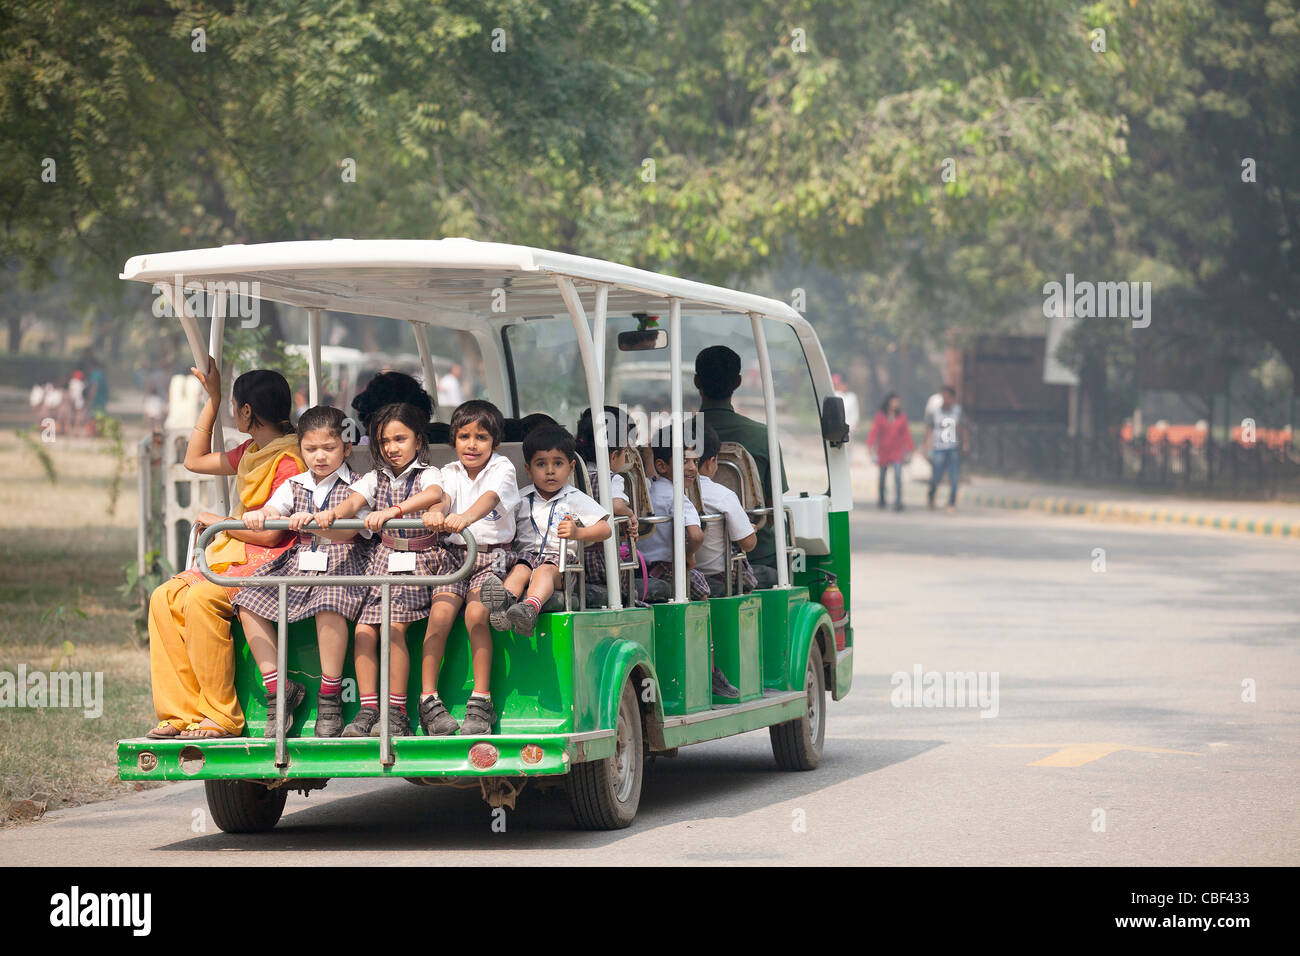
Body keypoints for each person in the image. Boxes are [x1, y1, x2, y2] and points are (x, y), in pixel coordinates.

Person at [145, 360, 305, 739]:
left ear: (248, 411)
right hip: (236, 552)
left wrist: (219, 522)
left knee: (201, 600)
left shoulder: (289, 459)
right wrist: (213, 398)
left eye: (234, 406)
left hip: (273, 559)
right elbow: (193, 460)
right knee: (162, 598)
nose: (234, 414)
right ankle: (180, 715)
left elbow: (271, 538)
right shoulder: (253, 450)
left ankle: (222, 716)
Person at [233, 406, 373, 738]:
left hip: (345, 560)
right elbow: (274, 508)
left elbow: (349, 533)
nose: (320, 457)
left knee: (330, 600)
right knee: (247, 598)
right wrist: (261, 515)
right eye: (311, 449)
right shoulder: (295, 484)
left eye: (329, 448)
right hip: (302, 560)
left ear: (347, 448)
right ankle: (278, 688)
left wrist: (314, 523)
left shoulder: (360, 486)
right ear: (301, 449)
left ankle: (330, 697)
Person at [313, 403, 447, 737]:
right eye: (385, 441)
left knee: (393, 627)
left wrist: (394, 510)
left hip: (418, 560)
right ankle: (369, 707)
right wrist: (332, 515)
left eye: (400, 439)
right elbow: (353, 502)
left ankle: (396, 711)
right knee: (363, 632)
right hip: (383, 561)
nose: (392, 448)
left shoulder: (428, 474)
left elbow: (433, 495)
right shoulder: (374, 478)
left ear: (418, 440)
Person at [419, 400, 520, 736]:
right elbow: (443, 499)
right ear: (454, 440)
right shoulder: (448, 472)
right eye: (464, 437)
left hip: (490, 556)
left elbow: (489, 499)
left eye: (481, 437)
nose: (472, 445)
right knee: (440, 617)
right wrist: (437, 511)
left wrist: (464, 519)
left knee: (476, 615)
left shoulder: (503, 468)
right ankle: (429, 699)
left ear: (495, 443)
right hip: (453, 556)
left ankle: (480, 699)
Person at [480, 425, 611, 635]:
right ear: (528, 469)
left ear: (570, 467)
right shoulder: (520, 498)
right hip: (525, 557)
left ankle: (529, 609)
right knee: (519, 569)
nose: (550, 471)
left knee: (544, 570)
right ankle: (503, 607)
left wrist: (578, 533)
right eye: (541, 464)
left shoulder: (574, 498)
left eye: (558, 464)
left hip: (561, 566)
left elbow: (605, 529)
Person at [643, 425, 740, 698]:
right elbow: (696, 534)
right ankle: (708, 668)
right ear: (661, 465)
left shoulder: (648, 491)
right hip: (669, 568)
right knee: (702, 592)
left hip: (643, 569)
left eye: (694, 461)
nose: (692, 468)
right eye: (684, 461)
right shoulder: (678, 497)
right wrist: (689, 555)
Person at [694, 345, 786, 588]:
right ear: (737, 382)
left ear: (696, 381)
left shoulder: (671, 437)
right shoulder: (763, 436)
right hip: (756, 558)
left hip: (690, 559)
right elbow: (773, 509)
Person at [575, 406, 640, 605]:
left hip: (577, 559)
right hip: (602, 560)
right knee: (631, 594)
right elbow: (616, 505)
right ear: (613, 456)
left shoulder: (575, 474)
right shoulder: (611, 479)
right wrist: (630, 514)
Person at [695, 425, 758, 596]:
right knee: (769, 575)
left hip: (677, 573)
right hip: (718, 576)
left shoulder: (658, 491)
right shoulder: (723, 495)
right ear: (711, 462)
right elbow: (749, 544)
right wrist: (748, 529)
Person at [923, 385, 969, 512]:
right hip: (939, 448)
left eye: (948, 397)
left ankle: (951, 503)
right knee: (936, 476)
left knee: (954, 477)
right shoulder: (935, 412)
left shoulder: (958, 412)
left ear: (953, 398)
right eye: (944, 396)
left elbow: (964, 428)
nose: (946, 399)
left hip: (953, 448)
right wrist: (926, 447)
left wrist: (965, 444)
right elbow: (929, 430)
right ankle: (932, 494)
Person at [866, 393, 914, 511]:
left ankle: (898, 501)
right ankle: (882, 499)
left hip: (897, 451)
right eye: (894, 401)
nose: (896, 404)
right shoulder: (880, 416)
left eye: (897, 402)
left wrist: (910, 449)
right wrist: (870, 446)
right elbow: (874, 431)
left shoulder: (901, 417)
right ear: (888, 402)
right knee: (882, 476)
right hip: (883, 450)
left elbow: (906, 434)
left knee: (898, 476)